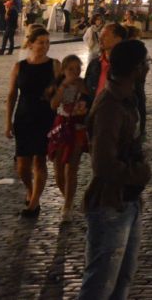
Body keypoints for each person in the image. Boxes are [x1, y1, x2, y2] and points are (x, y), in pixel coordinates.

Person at [79, 39, 152, 300]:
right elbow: (103, 163)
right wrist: (140, 173)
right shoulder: (110, 105)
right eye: (146, 63)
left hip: (128, 200)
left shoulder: (127, 98)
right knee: (100, 285)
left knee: (122, 281)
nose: (148, 68)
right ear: (136, 68)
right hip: (111, 203)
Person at [6, 25, 58, 217]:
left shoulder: (54, 65)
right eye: (41, 42)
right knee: (22, 165)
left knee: (39, 161)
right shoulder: (20, 67)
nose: (45, 46)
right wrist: (8, 122)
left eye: (47, 42)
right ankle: (29, 189)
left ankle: (34, 202)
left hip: (45, 117)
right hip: (24, 117)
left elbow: (63, 89)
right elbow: (12, 95)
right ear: (31, 44)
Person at [47, 54, 90, 221]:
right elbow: (53, 105)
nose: (75, 72)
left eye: (78, 68)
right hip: (61, 126)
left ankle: (67, 205)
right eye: (71, 69)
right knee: (58, 169)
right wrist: (63, 86)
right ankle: (68, 199)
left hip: (78, 127)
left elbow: (89, 101)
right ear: (63, 70)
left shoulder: (83, 84)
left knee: (71, 168)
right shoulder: (59, 84)